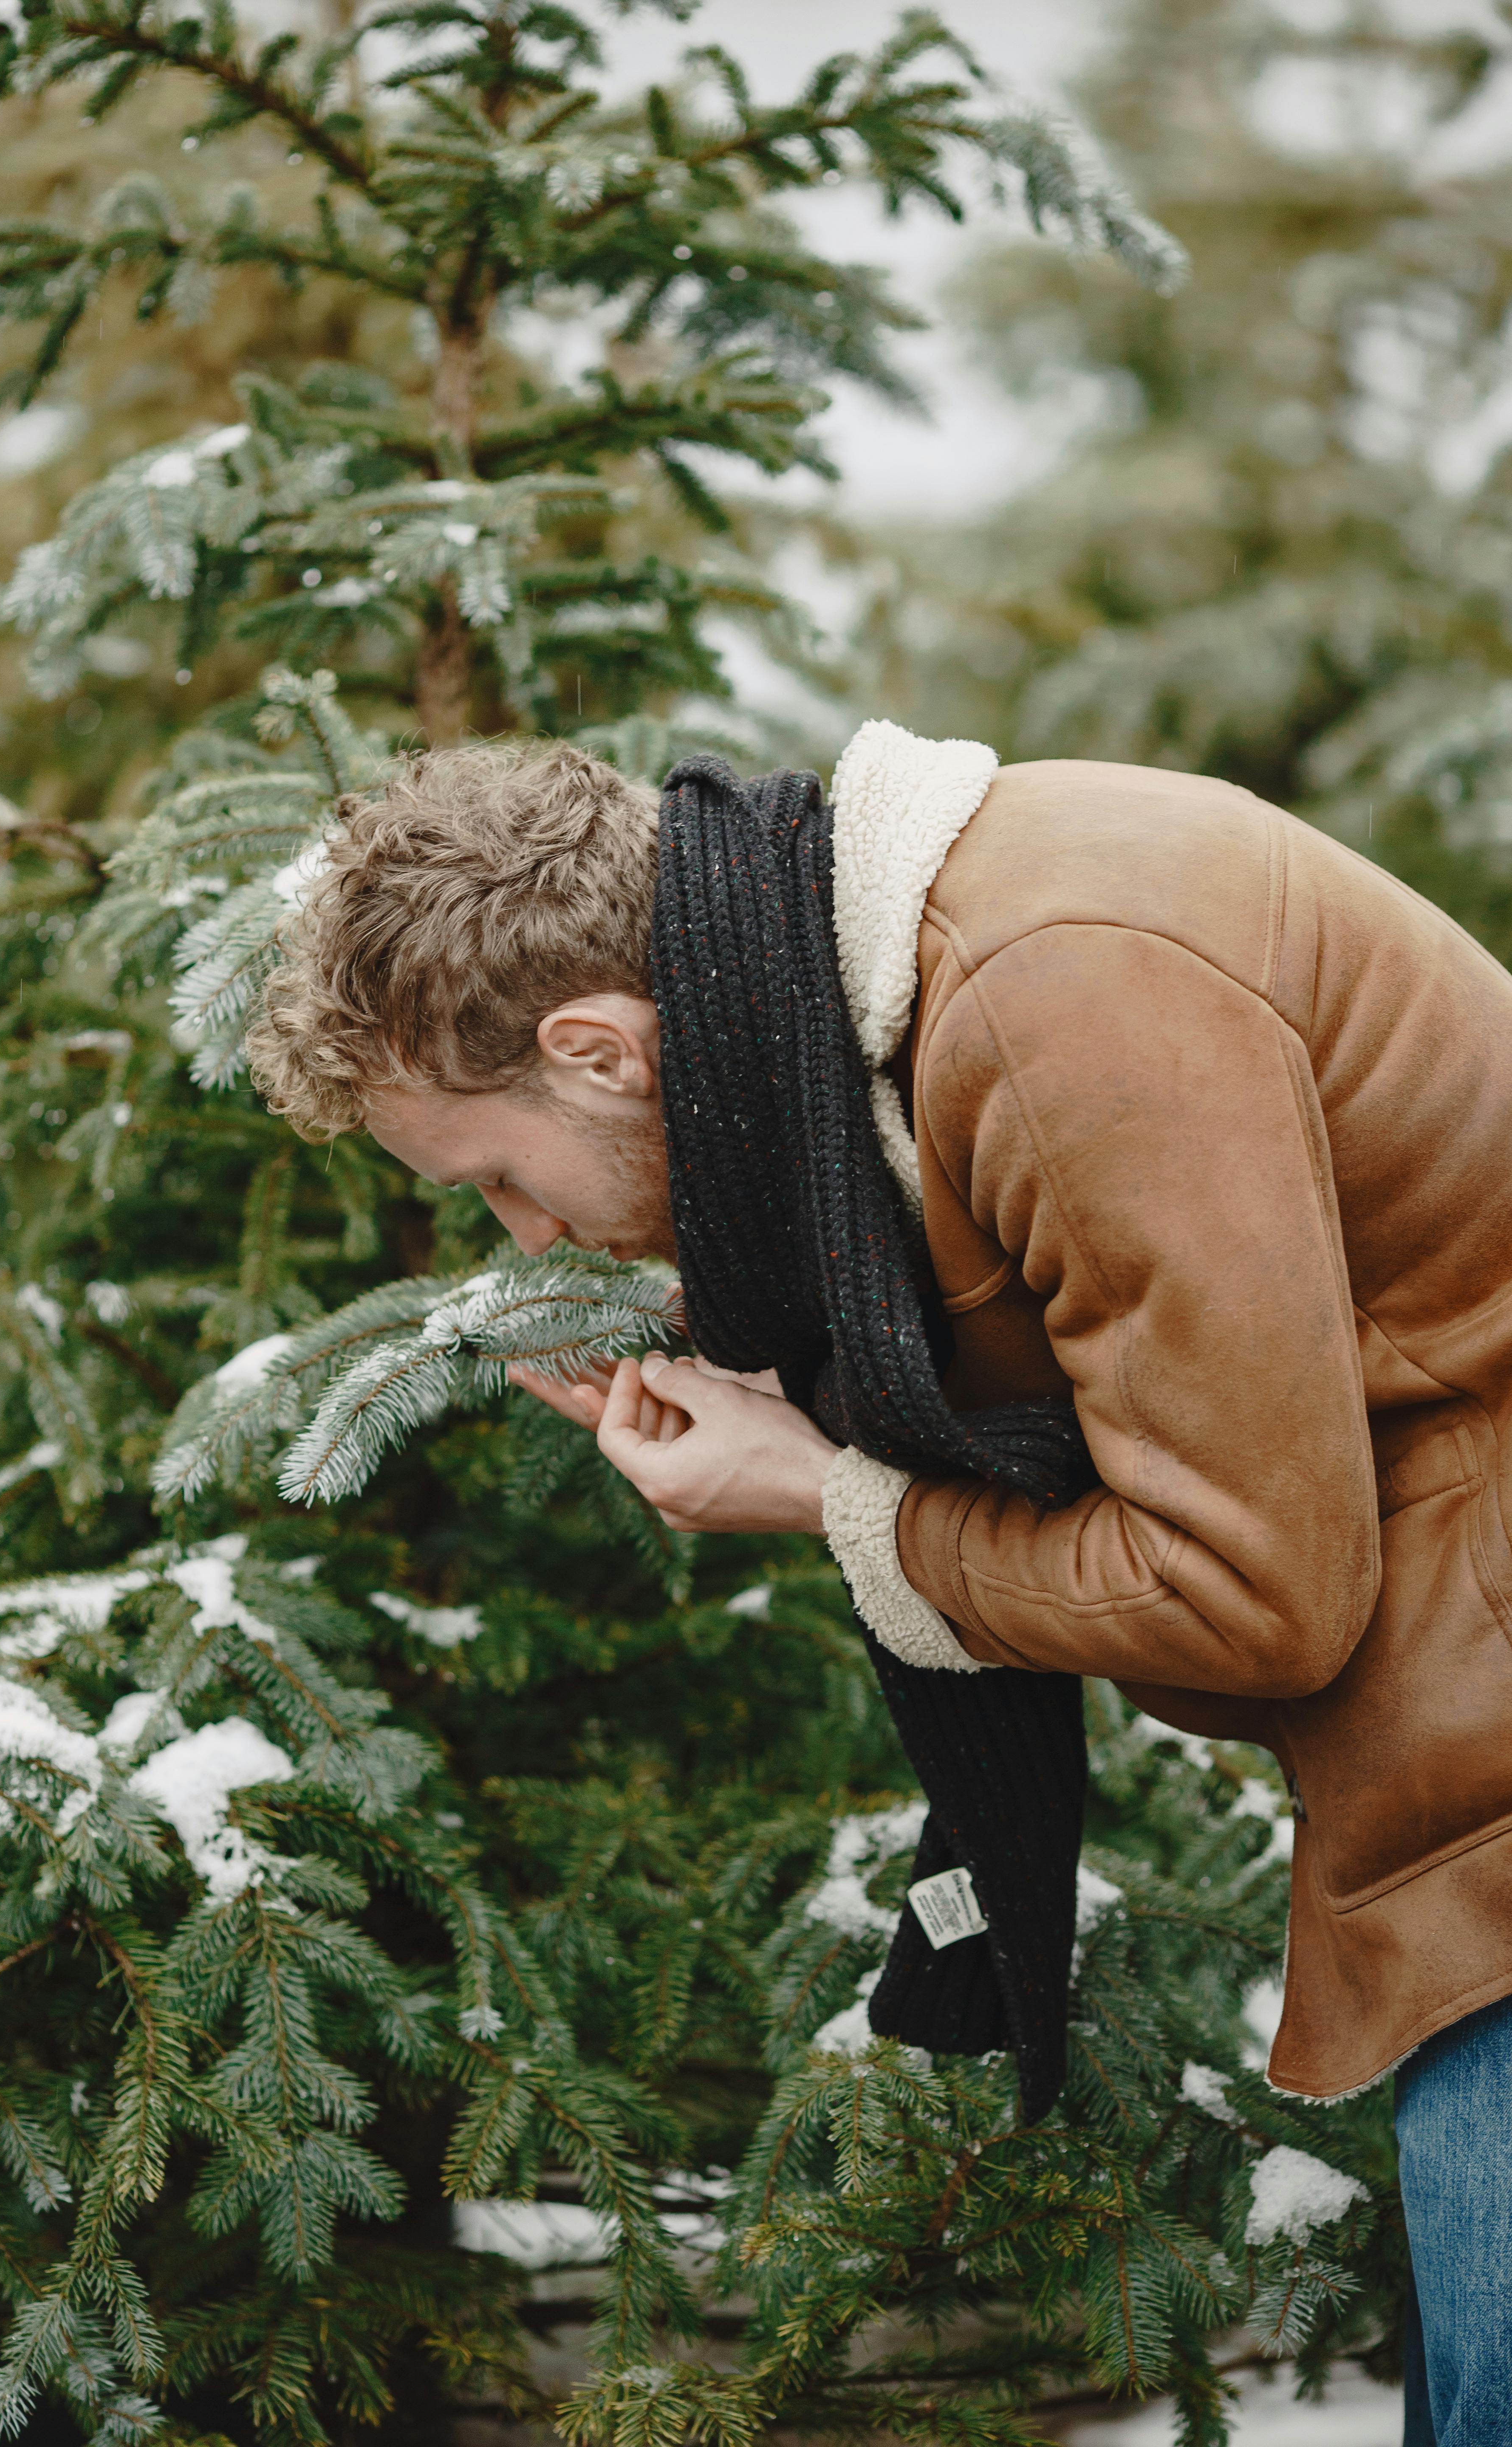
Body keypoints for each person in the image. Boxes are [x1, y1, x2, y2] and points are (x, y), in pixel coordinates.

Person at [249, 725, 1512, 2447]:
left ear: (601, 1048)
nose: (523, 1245)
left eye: (497, 1183)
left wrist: (839, 1498)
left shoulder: (1047, 1002)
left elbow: (1251, 1589)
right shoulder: (900, 964)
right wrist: (804, 1388)